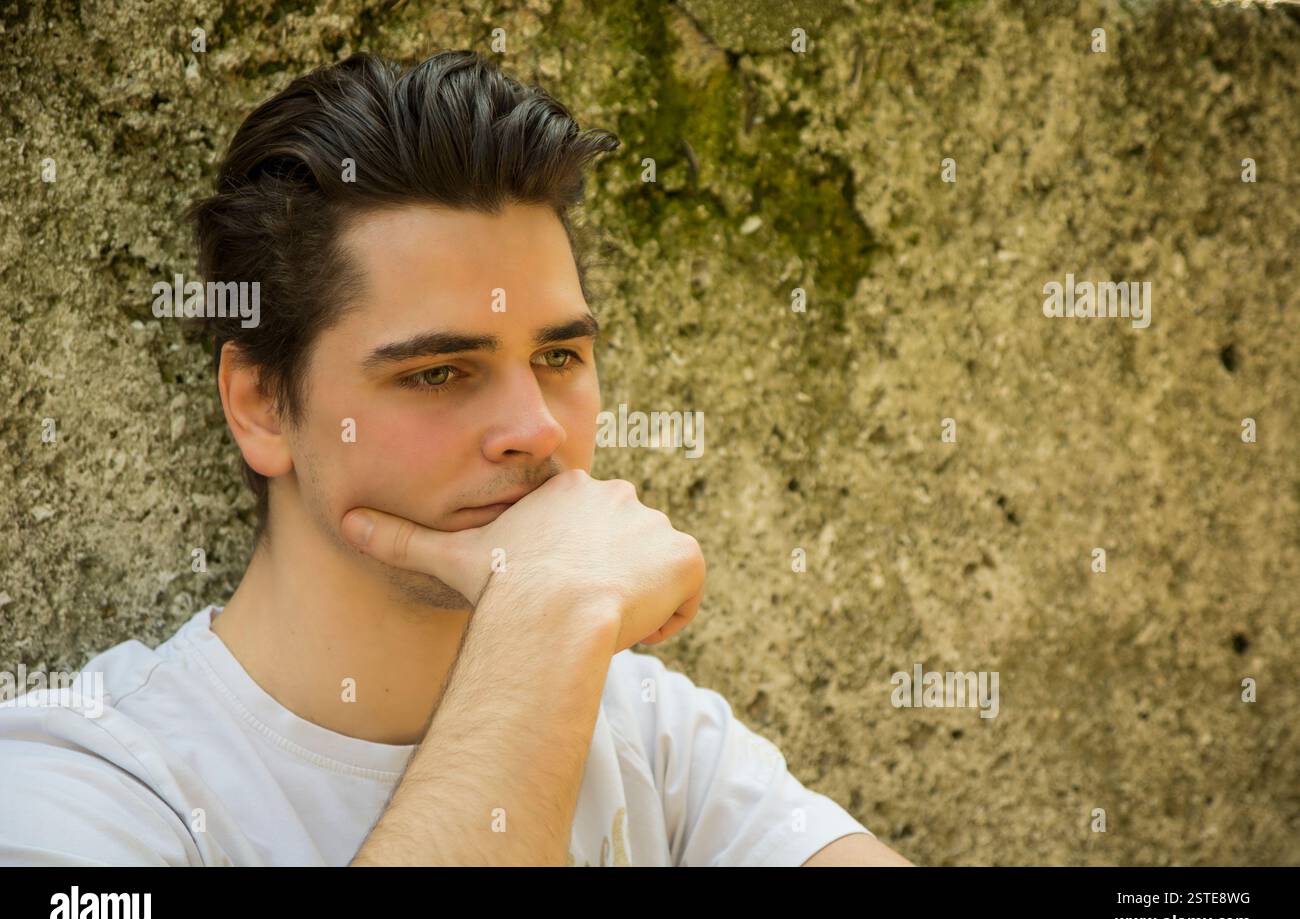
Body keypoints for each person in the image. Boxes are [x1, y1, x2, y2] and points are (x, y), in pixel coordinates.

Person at [0, 49, 912, 867]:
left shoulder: (645, 732)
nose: (536, 429)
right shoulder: (86, 788)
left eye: (559, 358)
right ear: (262, 406)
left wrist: (556, 629)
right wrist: (552, 620)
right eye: (439, 373)